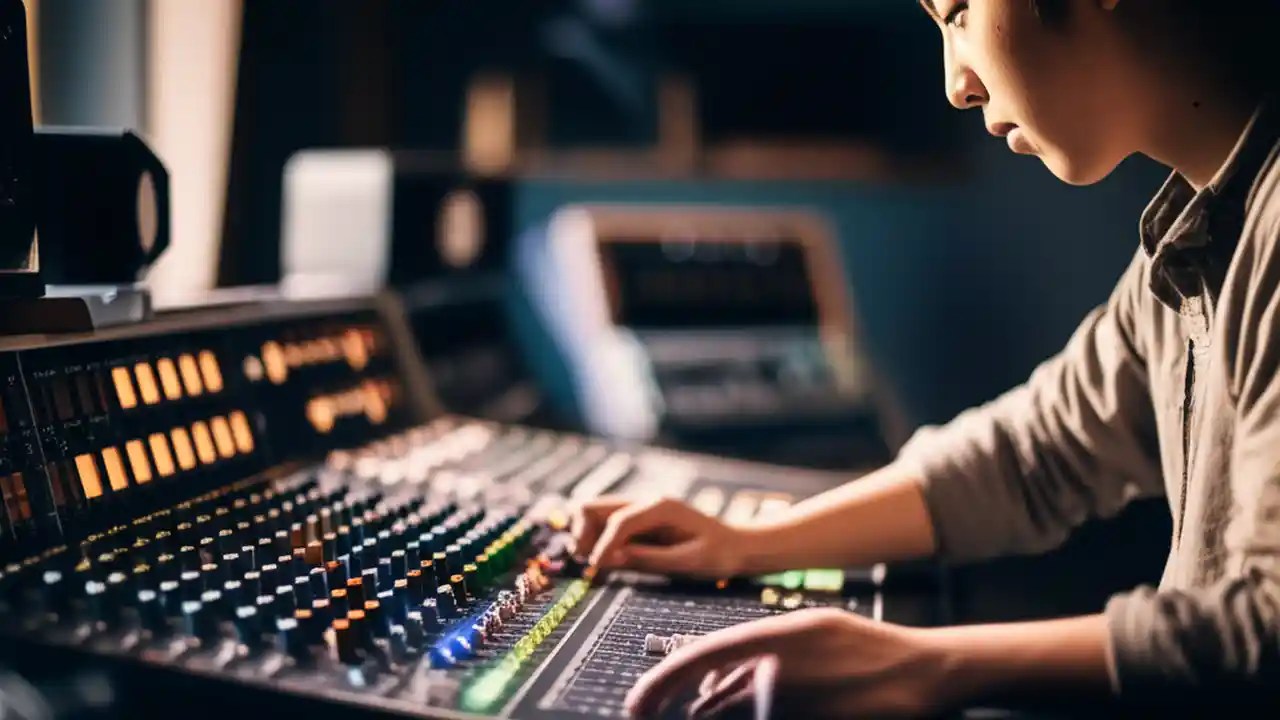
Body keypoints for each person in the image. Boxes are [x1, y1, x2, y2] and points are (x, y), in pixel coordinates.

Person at [571, 0, 1280, 716]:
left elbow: (1269, 631)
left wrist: (918, 666)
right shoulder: (1202, 233)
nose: (956, 83)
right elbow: (1035, 451)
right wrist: (752, 542)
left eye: (960, 12)